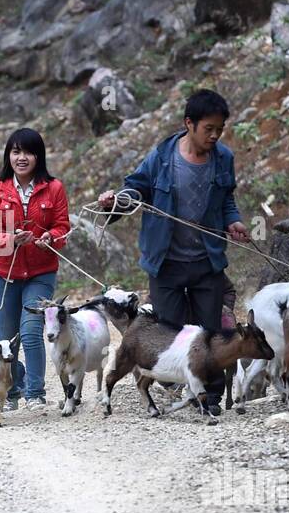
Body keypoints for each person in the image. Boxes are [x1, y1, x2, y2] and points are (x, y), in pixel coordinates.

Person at [97, 89, 249, 415]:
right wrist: (116, 201)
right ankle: (180, 384)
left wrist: (233, 221)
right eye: (208, 128)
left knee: (210, 331)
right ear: (189, 124)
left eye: (219, 129)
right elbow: (134, 189)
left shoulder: (223, 158)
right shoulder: (163, 157)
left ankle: (211, 397)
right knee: (169, 328)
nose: (214, 135)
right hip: (165, 261)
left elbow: (227, 200)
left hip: (206, 260)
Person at [0, 128, 70, 411]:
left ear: (39, 156)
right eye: (15, 152)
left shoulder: (54, 188)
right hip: (3, 274)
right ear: (8, 155)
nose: (21, 158)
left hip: (40, 272)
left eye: (28, 152)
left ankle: (35, 393)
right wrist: (11, 240)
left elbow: (62, 227)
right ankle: (9, 394)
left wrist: (50, 238)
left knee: (32, 331)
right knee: (6, 339)